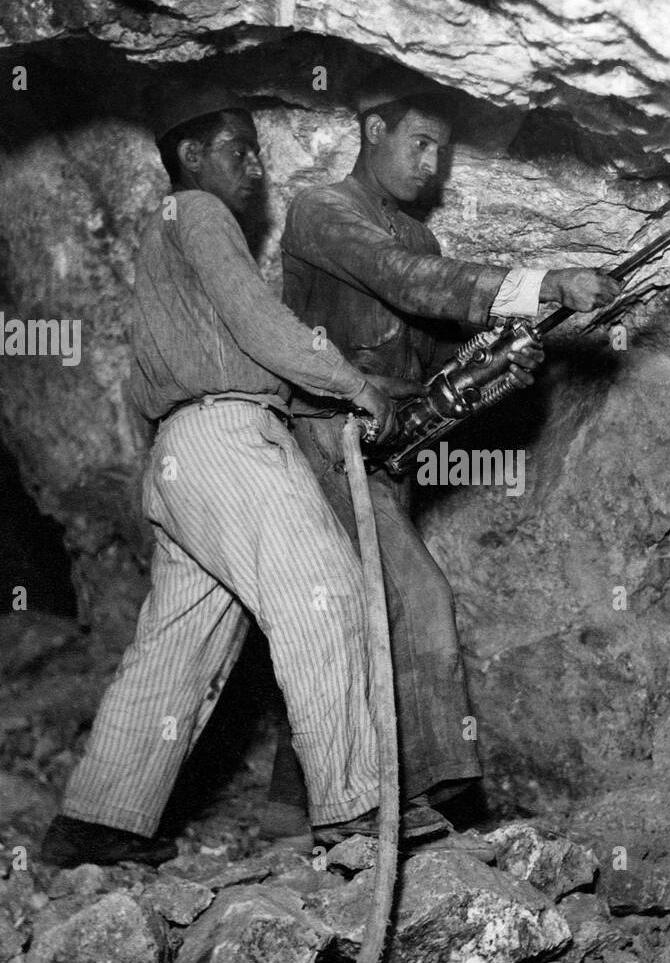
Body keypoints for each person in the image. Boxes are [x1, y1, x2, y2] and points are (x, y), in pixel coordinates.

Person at [40, 82, 441, 868]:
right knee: (324, 591)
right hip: (225, 440)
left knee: (178, 646)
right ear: (189, 156)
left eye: (258, 151)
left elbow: (242, 350)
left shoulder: (171, 242)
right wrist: (354, 383)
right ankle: (356, 807)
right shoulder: (196, 212)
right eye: (236, 150)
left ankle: (99, 821)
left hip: (184, 458)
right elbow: (262, 327)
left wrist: (353, 391)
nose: (255, 167)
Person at [262, 67, 619, 842]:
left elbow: (431, 365)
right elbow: (411, 283)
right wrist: (543, 281)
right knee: (413, 593)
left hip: (385, 445)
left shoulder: (420, 233)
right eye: (420, 142)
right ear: (373, 130)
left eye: (444, 151)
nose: (433, 165)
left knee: (346, 610)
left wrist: (500, 368)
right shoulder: (321, 211)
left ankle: (295, 807)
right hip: (320, 429)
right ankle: (423, 791)